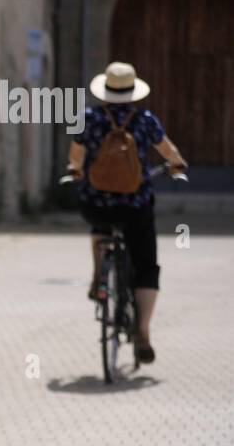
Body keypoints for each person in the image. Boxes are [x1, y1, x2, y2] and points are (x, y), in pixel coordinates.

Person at [67, 61, 187, 364]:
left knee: (99, 225)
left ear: (105, 90)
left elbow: (76, 155)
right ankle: (143, 331)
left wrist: (77, 171)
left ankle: (99, 276)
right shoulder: (145, 120)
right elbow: (167, 150)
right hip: (135, 204)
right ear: (133, 91)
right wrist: (176, 163)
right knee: (146, 264)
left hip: (98, 203)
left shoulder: (89, 118)